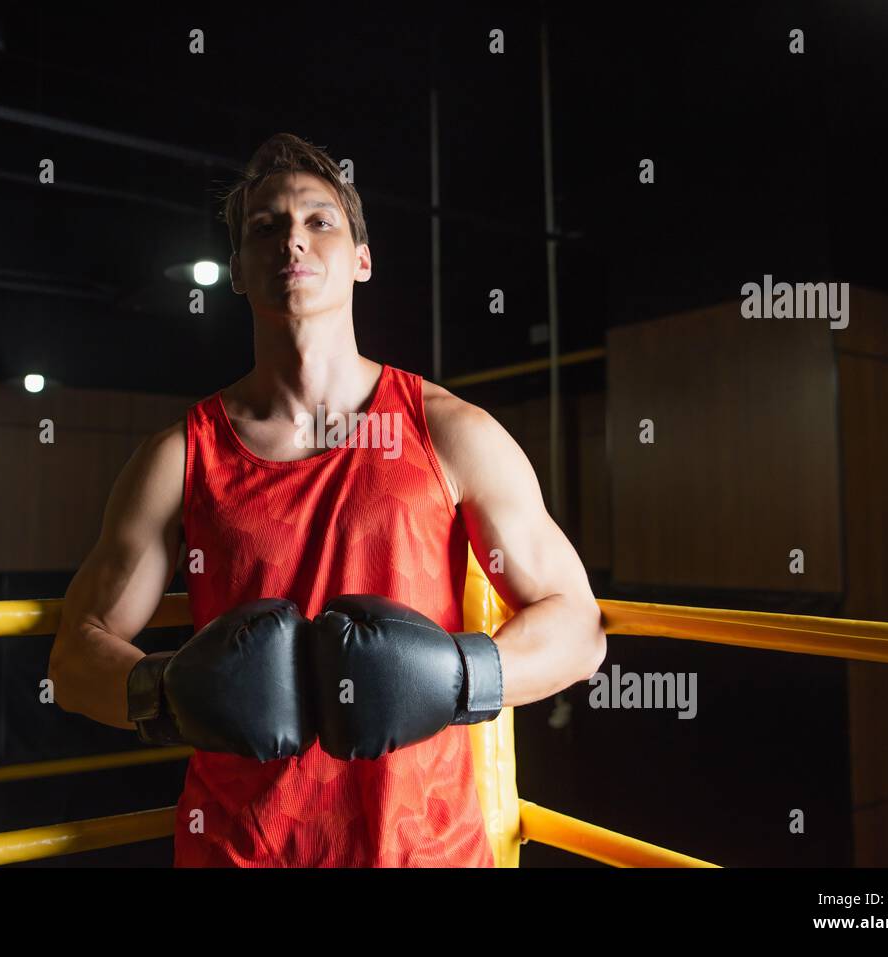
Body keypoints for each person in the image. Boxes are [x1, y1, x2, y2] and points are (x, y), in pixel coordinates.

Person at [48, 133, 606, 867]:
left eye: (319, 221)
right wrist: (169, 690)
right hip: (240, 852)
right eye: (265, 227)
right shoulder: (180, 456)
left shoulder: (450, 431)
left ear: (361, 259)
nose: (292, 240)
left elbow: (579, 629)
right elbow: (74, 657)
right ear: (238, 271)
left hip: (424, 852)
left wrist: (453, 678)